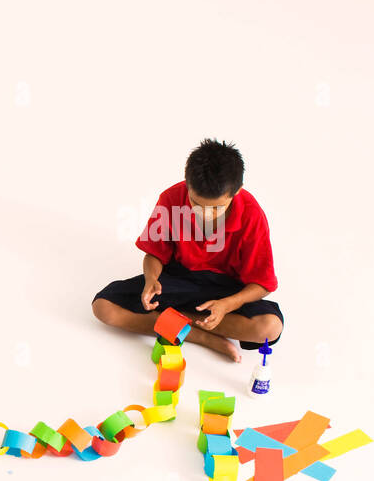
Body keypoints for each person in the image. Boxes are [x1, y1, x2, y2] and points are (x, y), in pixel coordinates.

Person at [92, 139, 282, 362]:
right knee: (104, 307)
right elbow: (154, 252)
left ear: (236, 191)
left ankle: (174, 321)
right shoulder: (170, 198)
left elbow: (262, 284)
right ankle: (202, 337)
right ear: (187, 184)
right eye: (195, 203)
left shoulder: (252, 215)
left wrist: (227, 305)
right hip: (179, 280)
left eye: (217, 208)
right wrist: (151, 278)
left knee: (269, 328)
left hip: (226, 289)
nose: (205, 213)